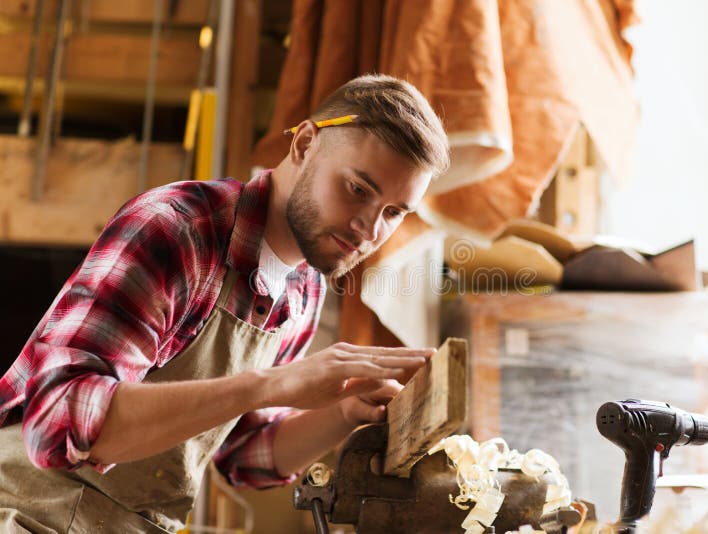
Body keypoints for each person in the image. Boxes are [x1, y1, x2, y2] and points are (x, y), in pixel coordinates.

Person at [0, 74, 450, 532]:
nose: (370, 230)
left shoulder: (305, 290)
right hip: (29, 513)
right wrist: (270, 384)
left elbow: (245, 455)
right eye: (358, 189)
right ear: (305, 145)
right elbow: (56, 421)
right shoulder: (177, 230)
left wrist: (343, 412)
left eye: (394, 212)